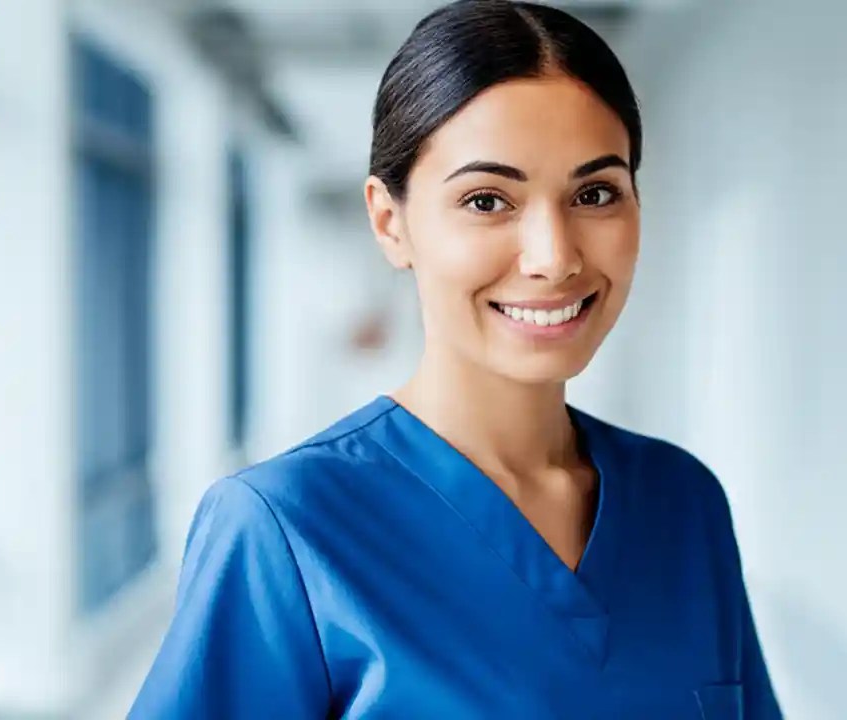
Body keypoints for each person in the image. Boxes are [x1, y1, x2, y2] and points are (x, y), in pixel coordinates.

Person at [132, 1, 783, 717]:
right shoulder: (283, 532)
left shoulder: (683, 504)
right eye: (486, 201)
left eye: (595, 194)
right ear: (390, 222)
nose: (553, 257)